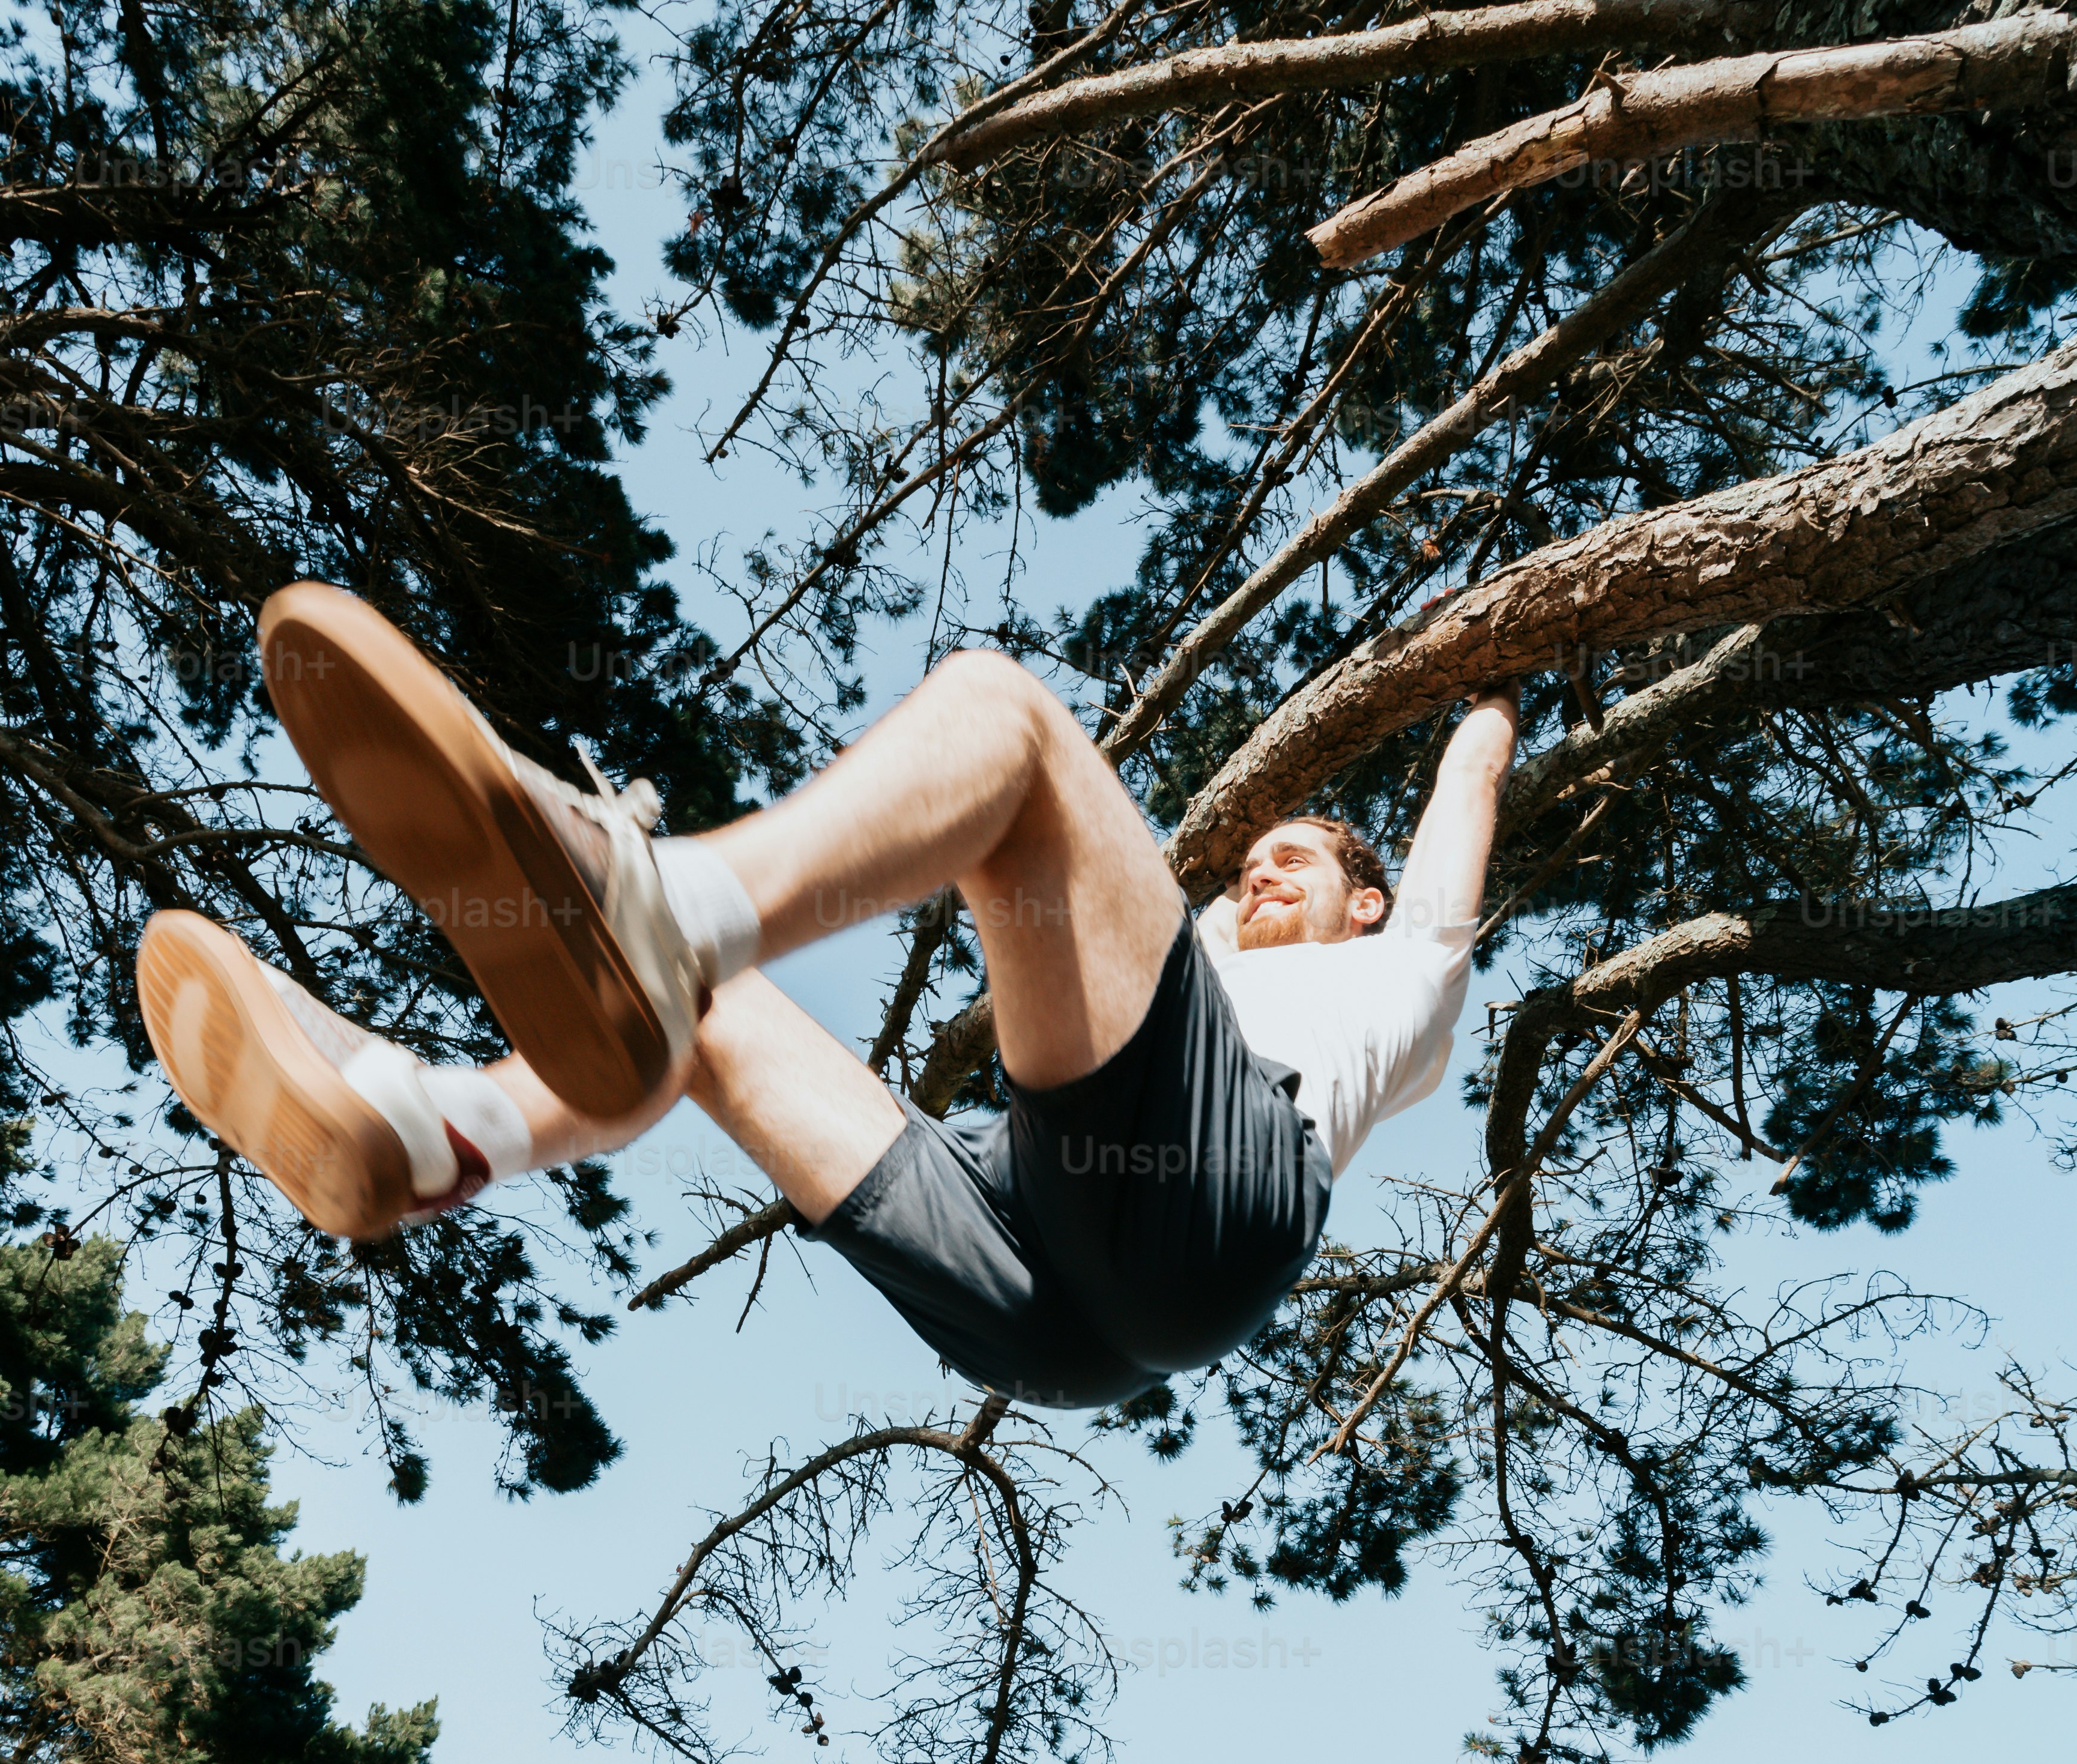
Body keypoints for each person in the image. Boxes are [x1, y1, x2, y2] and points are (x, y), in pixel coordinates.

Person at [139, 587, 1517, 1409]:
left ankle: (660, 901)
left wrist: (1495, 674)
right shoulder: (1205, 957)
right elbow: (1148, 919)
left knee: (1007, 720)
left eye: (1299, 863)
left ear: (1370, 903)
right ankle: (440, 1137)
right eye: (1254, 862)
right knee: (705, 1016)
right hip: (1045, 1308)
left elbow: (1469, 788)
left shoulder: (1403, 970)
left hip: (1216, 1205)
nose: (1263, 872)